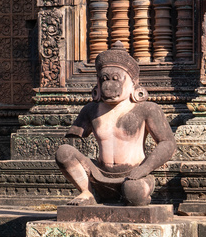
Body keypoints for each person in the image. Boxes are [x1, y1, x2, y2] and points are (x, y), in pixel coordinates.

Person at [55, 41, 176, 206]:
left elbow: (168, 143)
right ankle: (87, 192)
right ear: (98, 82)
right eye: (104, 79)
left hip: (134, 176)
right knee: (64, 152)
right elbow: (75, 136)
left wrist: (144, 169)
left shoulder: (147, 109)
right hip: (98, 175)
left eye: (115, 78)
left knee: (133, 192)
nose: (108, 85)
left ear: (133, 83)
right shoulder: (91, 110)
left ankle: (135, 192)